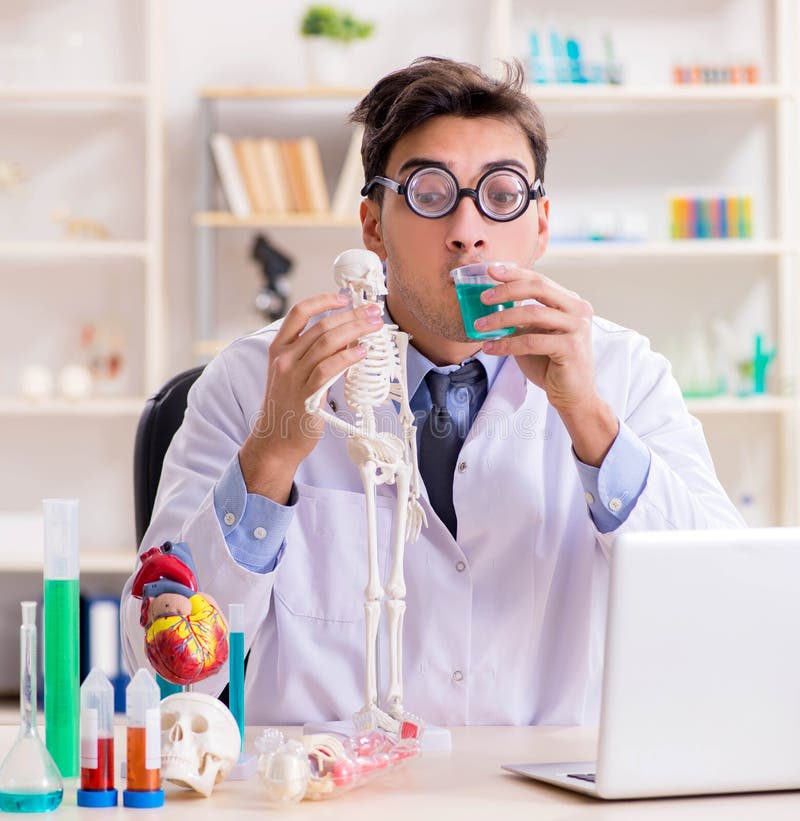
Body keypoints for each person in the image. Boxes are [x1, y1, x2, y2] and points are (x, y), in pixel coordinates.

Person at [121, 56, 743, 726]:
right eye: (429, 190)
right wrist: (269, 458)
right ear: (372, 226)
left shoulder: (624, 375)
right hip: (324, 790)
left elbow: (726, 613)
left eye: (501, 194)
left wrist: (591, 422)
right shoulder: (253, 379)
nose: (467, 229)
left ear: (539, 225)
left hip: (539, 790)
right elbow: (155, 672)